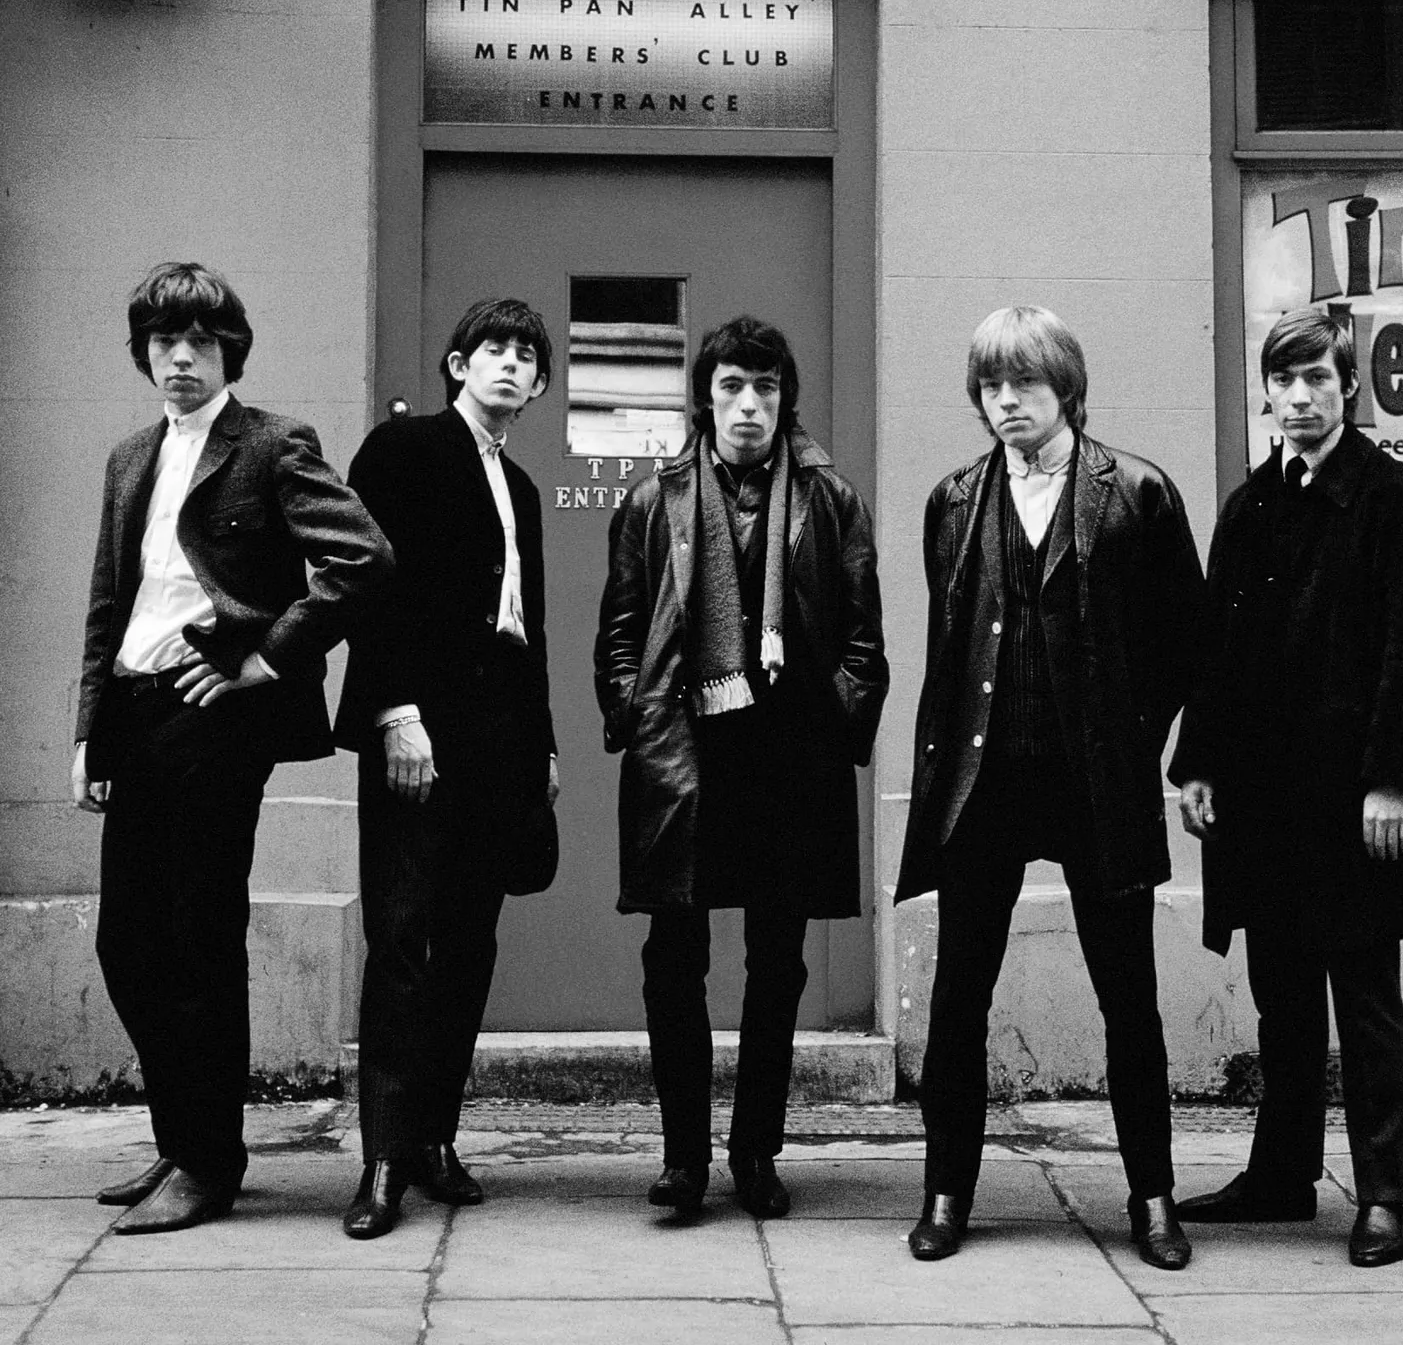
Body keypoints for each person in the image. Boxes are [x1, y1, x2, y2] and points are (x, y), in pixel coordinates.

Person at [73, 261, 392, 1234]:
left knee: (197, 937)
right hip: (134, 710)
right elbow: (107, 603)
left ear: (228, 351)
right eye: (164, 342)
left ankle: (208, 1161)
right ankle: (185, 1140)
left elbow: (362, 556)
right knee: (126, 939)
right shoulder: (131, 458)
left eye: (199, 342)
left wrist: (267, 657)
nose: (180, 358)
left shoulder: (270, 444)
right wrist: (88, 728)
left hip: (212, 712)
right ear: (145, 352)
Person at [894, 306, 1205, 1267]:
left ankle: (1152, 1199)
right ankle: (947, 1191)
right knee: (959, 998)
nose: (1006, 402)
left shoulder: (1138, 493)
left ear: (1065, 388)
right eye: (991, 386)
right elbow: (952, 654)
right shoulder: (954, 502)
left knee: (1129, 996)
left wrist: (1133, 737)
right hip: (983, 784)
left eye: (1024, 385)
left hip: (1094, 786)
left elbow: (1185, 644)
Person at [1170, 306, 1403, 1268]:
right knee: (1282, 998)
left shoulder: (1398, 502)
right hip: (1266, 806)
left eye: (1318, 383)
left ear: (1347, 390)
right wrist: (1198, 762)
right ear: (1267, 392)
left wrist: (1392, 784)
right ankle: (1282, 1176)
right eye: (1284, 383)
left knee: (1366, 1000)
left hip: (1353, 804)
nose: (1299, 399)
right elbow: (1214, 653)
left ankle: (1382, 1196)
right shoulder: (1251, 506)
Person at [595, 315, 887, 1221]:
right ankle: (683, 1158)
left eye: (764, 389)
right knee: (674, 957)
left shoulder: (829, 497)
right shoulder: (655, 497)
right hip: (686, 758)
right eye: (731, 387)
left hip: (789, 761)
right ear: (705, 398)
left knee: (779, 962)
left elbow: (863, 639)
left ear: (784, 399)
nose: (749, 406)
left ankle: (756, 1152)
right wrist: (637, 718)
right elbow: (619, 630)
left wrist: (829, 714)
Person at [334, 298, 559, 1240]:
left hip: (500, 743)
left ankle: (434, 1137)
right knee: (402, 940)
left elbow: (525, 628)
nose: (509, 366)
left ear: (540, 385)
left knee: (471, 944)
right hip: (418, 733)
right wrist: (394, 713)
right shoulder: (404, 453)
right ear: (459, 364)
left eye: (525, 358)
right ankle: (383, 1160)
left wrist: (543, 742)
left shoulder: (526, 488)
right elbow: (368, 588)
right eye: (493, 351)